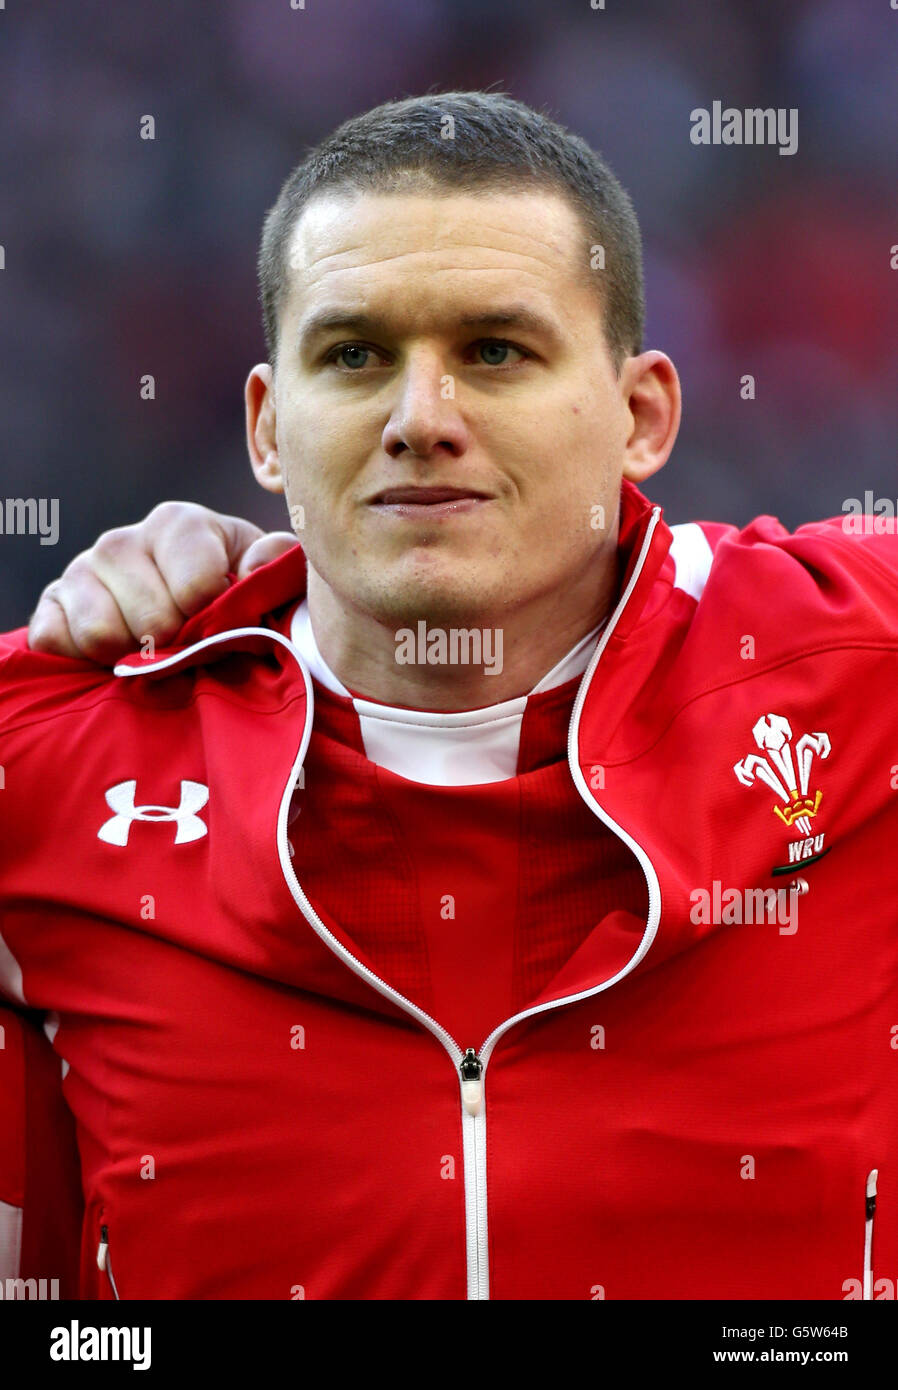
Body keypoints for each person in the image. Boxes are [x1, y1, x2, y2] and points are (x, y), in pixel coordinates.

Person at [4, 90, 896, 1300]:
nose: (421, 421)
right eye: (355, 355)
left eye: (494, 351)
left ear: (641, 417)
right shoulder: (48, 765)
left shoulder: (857, 669)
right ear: (270, 428)